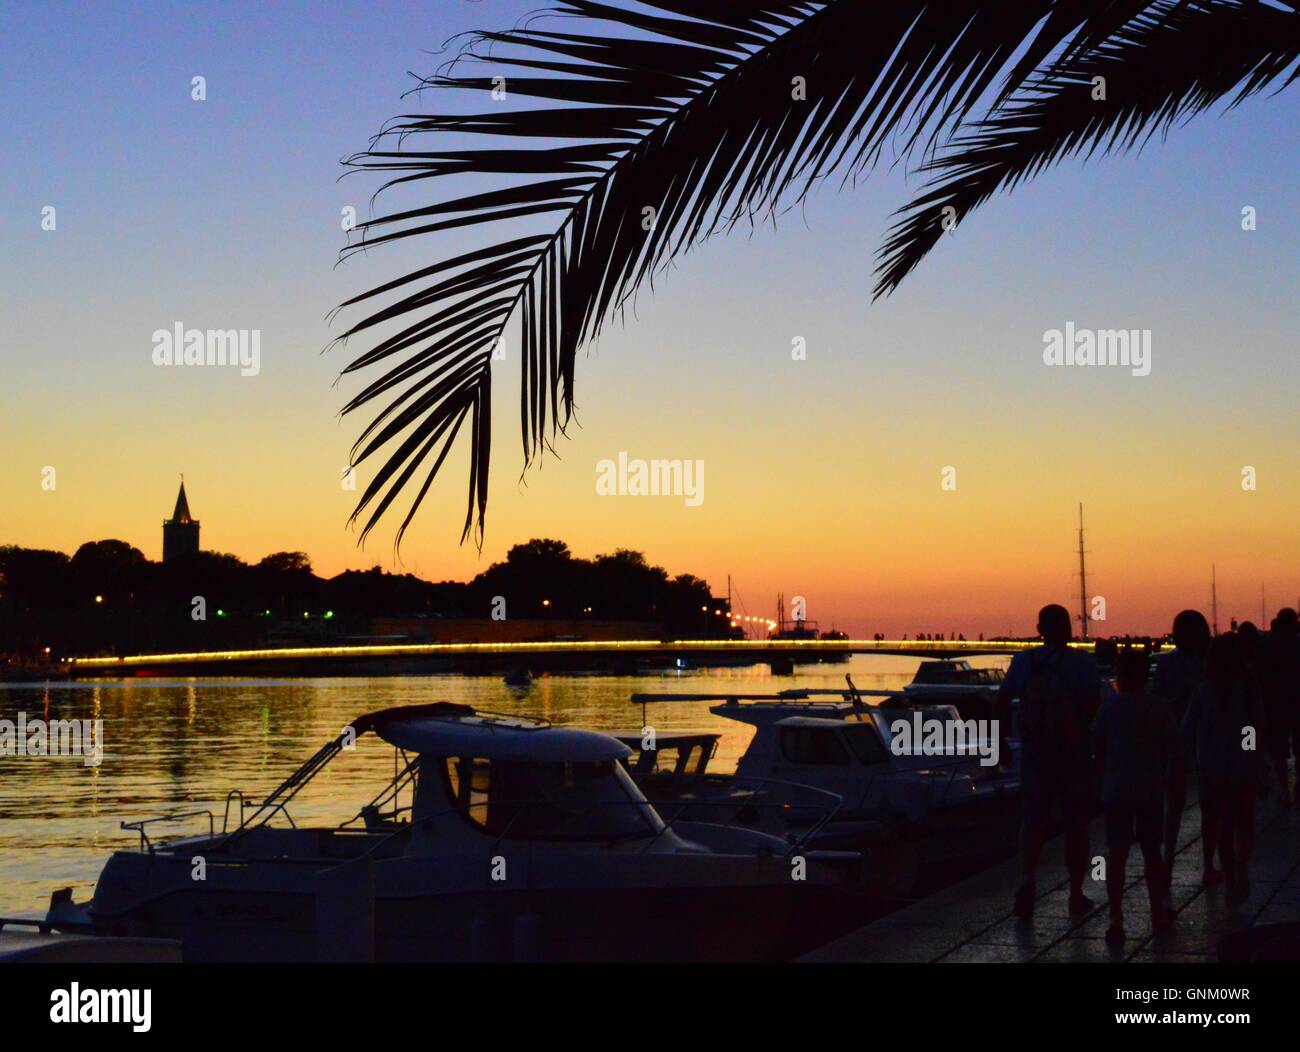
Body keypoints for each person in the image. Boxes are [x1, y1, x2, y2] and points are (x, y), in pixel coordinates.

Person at [996, 603, 1102, 917]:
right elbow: (1093, 705)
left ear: (1039, 630)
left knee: (1033, 820)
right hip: (1072, 753)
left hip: (1035, 751)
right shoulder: (1082, 663)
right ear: (1068, 628)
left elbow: (1000, 702)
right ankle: (1076, 893)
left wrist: (999, 744)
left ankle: (1027, 881)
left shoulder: (1023, 661)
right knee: (1076, 824)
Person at [1092, 649, 1177, 944]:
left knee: (1117, 855)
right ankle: (1156, 912)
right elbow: (1171, 746)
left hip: (1115, 789)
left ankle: (1116, 918)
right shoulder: (1160, 707)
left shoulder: (1110, 706)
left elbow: (1097, 743)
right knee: (1152, 852)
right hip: (1150, 789)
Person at [1182, 633, 1267, 902]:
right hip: (1242, 767)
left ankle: (1229, 876)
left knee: (1223, 826)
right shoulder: (1248, 687)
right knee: (1245, 822)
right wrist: (1251, 755)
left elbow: (1187, 729)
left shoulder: (1203, 690)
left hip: (1212, 768)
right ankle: (1242, 867)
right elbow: (1256, 725)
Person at [1149, 610, 1212, 883]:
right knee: (1211, 805)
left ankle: (1168, 859)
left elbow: (1157, 701)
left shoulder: (1166, 664)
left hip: (1173, 737)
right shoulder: (1211, 663)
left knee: (1173, 804)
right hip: (1208, 737)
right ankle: (1210, 863)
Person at [1257, 609, 1300, 803]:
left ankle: (1284, 789)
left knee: (1279, 753)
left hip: (1275, 705)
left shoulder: (1267, 647)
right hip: (1296, 703)